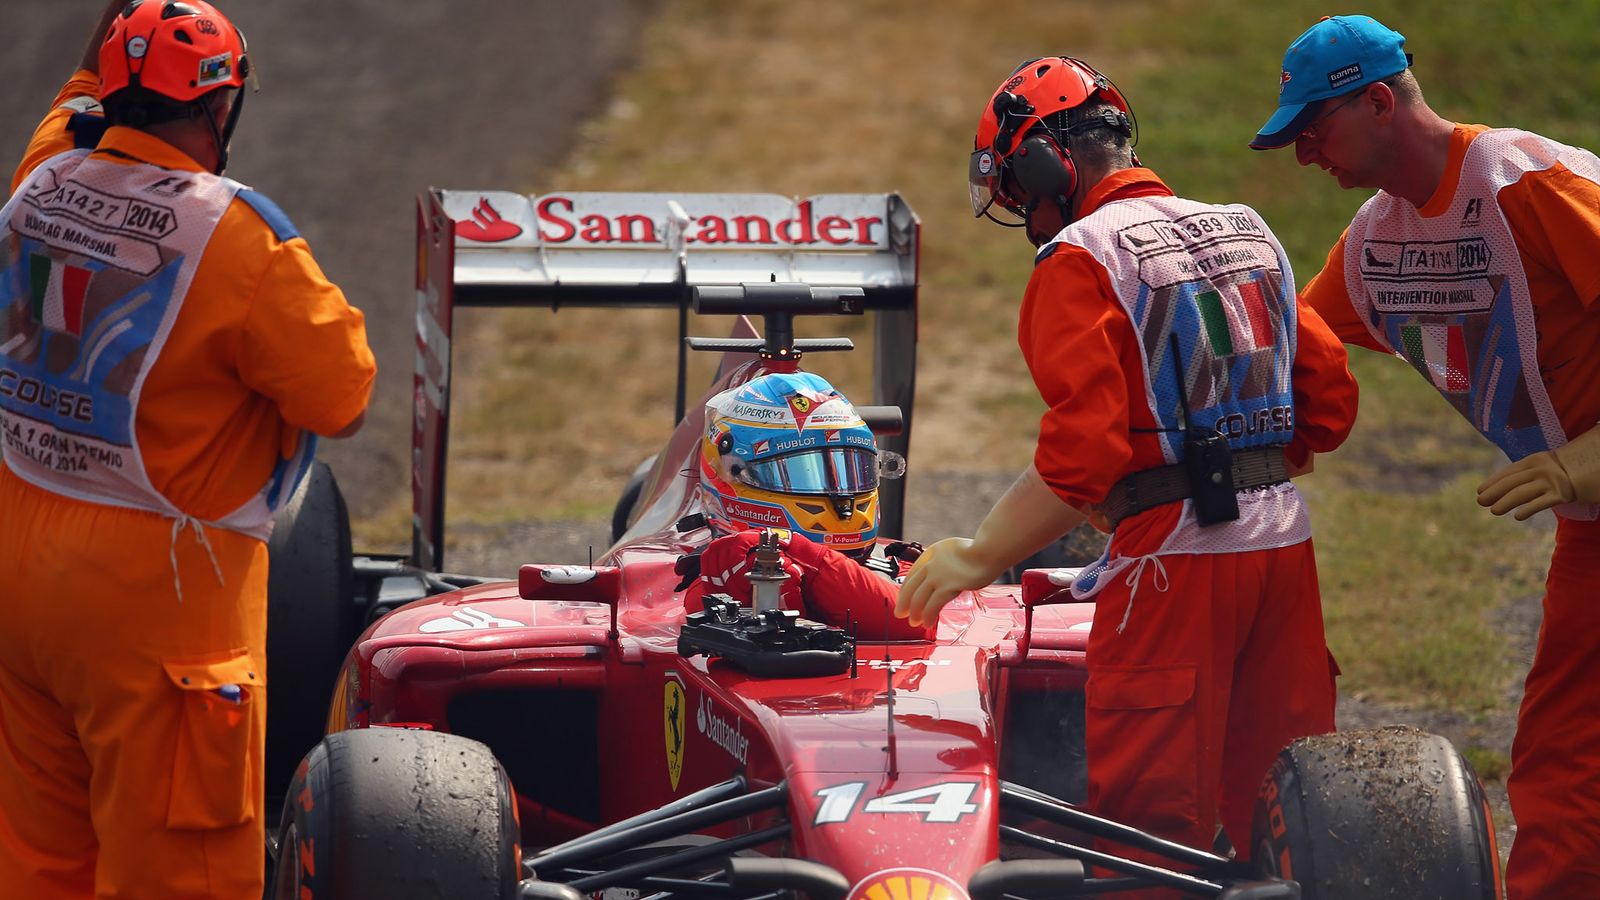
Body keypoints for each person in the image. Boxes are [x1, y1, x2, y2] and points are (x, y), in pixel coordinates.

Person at [895, 56, 1359, 886]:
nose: (1025, 211)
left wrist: (981, 554)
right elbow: (1329, 406)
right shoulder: (1250, 229)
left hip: (1172, 561)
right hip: (1284, 551)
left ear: (1048, 163)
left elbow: (1085, 456)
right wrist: (1247, 457)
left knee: (1148, 834)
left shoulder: (1078, 259)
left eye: (1019, 187)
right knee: (1291, 816)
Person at [0, 1, 376, 897]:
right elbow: (344, 395)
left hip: (20, 580)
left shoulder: (45, 174)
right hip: (160, 605)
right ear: (221, 107)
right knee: (180, 873)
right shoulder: (240, 240)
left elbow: (85, 78)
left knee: (38, 863)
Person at [1249, 14, 1600, 898]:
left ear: (1378, 102)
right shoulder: (1376, 243)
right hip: (1592, 526)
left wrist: (1585, 457)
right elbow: (1295, 356)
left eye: (1313, 129)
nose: (1304, 156)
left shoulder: (1527, 182)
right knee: (1565, 760)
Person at [691, 371, 933, 641]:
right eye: (797, 474)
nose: (842, 501)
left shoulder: (905, 566)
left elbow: (914, 619)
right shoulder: (695, 580)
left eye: (849, 470)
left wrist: (797, 549)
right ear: (730, 476)